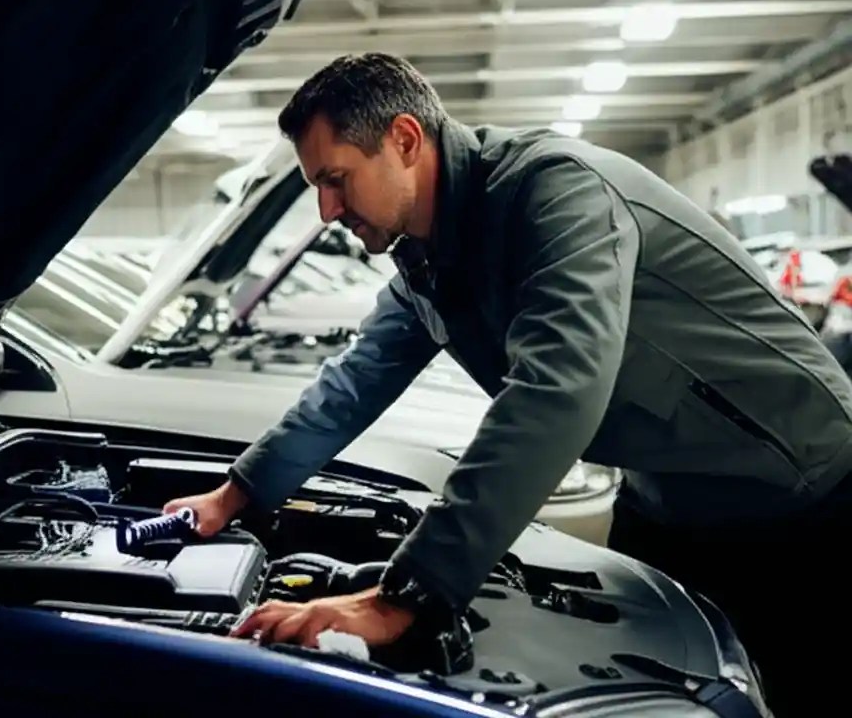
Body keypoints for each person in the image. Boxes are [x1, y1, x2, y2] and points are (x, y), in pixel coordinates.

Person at [162, 53, 852, 716]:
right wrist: (236, 494)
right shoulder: (431, 260)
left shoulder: (558, 194)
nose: (326, 210)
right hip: (670, 496)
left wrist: (405, 595)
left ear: (404, 139)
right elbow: (354, 382)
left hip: (798, 491)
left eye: (336, 179)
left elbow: (555, 391)